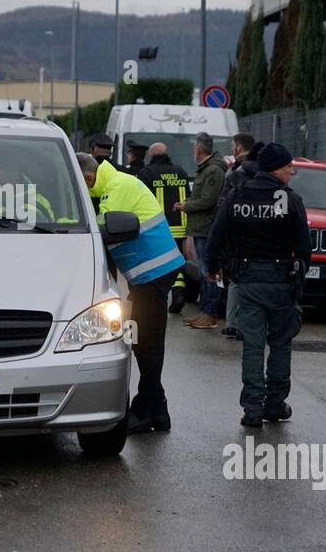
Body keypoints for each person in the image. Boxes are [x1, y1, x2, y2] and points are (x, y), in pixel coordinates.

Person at [205, 142, 311, 428]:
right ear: (277, 168)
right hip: (281, 281)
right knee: (280, 345)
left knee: (252, 346)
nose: (291, 172)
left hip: (248, 280)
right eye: (289, 167)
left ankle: (252, 408)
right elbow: (304, 247)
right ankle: (275, 404)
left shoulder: (238, 195)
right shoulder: (290, 199)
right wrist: (299, 279)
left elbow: (217, 236)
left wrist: (212, 268)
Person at [78, 152, 185, 434]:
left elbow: (100, 234)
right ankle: (159, 412)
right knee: (141, 340)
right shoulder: (115, 183)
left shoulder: (116, 190)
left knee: (146, 343)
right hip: (149, 277)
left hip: (154, 274)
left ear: (89, 178)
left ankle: (142, 410)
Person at [136, 142, 190, 313]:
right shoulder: (180, 171)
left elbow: (140, 200)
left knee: (159, 264)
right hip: (180, 227)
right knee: (176, 262)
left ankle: (160, 297)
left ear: (151, 156)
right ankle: (179, 293)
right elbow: (188, 198)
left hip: (158, 228)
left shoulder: (147, 173)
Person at [180, 132, 226, 327]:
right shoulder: (205, 169)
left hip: (206, 228)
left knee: (208, 272)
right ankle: (205, 311)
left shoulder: (213, 170)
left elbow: (208, 200)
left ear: (198, 149)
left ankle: (211, 313)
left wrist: (185, 206)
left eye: (194, 148)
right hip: (200, 227)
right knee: (203, 272)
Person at [216, 135, 259, 340]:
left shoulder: (235, 173)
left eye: (233, 146)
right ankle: (244, 324)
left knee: (235, 279)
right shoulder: (263, 171)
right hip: (256, 236)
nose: (232, 149)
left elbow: (224, 204)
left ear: (240, 147)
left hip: (235, 235)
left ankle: (233, 323)